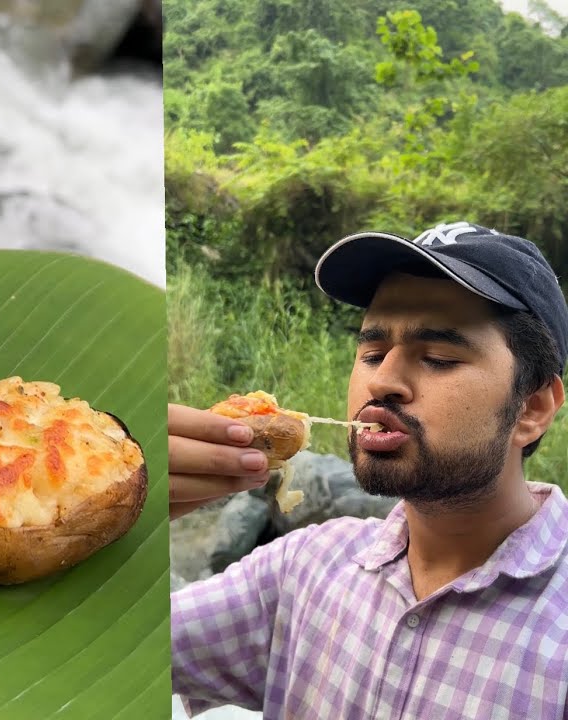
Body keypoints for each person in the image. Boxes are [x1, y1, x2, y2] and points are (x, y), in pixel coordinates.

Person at [170, 222, 568, 718]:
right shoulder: (302, 568)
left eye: (440, 357)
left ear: (532, 408)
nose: (382, 381)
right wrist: (123, 507)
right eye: (373, 353)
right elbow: (109, 649)